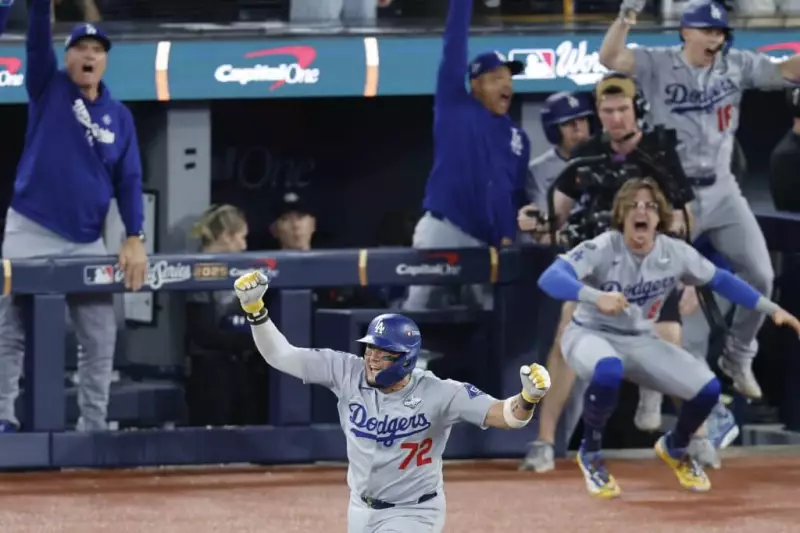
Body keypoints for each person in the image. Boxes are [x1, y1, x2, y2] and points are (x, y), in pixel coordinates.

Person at [537, 178, 800, 498]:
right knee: (608, 370)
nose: (641, 211)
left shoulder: (674, 252)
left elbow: (722, 281)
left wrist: (772, 309)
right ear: (621, 215)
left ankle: (675, 447)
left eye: (649, 205)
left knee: (708, 390)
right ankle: (590, 455)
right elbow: (549, 277)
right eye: (633, 205)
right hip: (590, 334)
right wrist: (592, 295)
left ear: (660, 216)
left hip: (640, 339)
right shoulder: (605, 245)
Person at [519, 71, 728, 471]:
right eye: (607, 110)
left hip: (653, 268)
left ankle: (697, 439)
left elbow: (685, 219)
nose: (615, 118)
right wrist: (536, 222)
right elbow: (555, 217)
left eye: (622, 110)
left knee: (670, 341)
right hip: (603, 268)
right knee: (566, 334)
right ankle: (543, 443)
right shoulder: (587, 154)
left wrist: (686, 278)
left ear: (637, 111)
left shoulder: (660, 153)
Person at [233, 270, 551, 532]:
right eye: (370, 350)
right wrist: (256, 313)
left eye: (382, 355)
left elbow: (507, 416)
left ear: (406, 360)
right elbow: (282, 356)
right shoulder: (346, 371)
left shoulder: (441, 392)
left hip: (414, 513)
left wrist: (528, 397)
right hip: (360, 509)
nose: (371, 360)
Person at [598, 0, 800, 402]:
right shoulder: (658, 63)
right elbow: (610, 57)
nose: (715, 38)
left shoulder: (736, 65)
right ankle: (650, 390)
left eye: (720, 32)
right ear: (685, 32)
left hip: (723, 188)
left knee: (761, 275)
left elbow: (785, 71)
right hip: (672, 190)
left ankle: (737, 356)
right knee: (657, 286)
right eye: (707, 31)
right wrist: (627, 15)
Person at [0, 7, 147, 433]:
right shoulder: (49, 87)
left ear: (105, 60)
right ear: (67, 57)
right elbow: (36, 39)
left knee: (100, 335)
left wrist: (135, 234)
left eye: (97, 49)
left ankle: (93, 426)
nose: (89, 55)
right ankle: (3, 417)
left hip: (85, 241)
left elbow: (131, 179)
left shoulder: (120, 116)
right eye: (80, 47)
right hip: (29, 229)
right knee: (9, 331)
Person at [402, 0, 530, 312]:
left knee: (490, 321)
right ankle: (394, 362)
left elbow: (510, 194)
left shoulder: (518, 138)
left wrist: (507, 237)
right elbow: (454, 43)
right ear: (476, 83)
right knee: (417, 309)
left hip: (485, 244)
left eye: (509, 78)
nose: (507, 84)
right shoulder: (455, 104)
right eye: (497, 77)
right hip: (443, 229)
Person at [184, 205, 269, 427]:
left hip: (240, 363)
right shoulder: (199, 269)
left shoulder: (243, 271)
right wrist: (253, 341)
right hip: (209, 368)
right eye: (241, 238)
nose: (244, 245)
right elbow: (202, 332)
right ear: (225, 236)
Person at [518, 91, 593, 224]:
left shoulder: (603, 159)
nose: (578, 129)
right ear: (553, 131)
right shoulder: (537, 171)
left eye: (582, 120)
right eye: (568, 123)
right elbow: (546, 220)